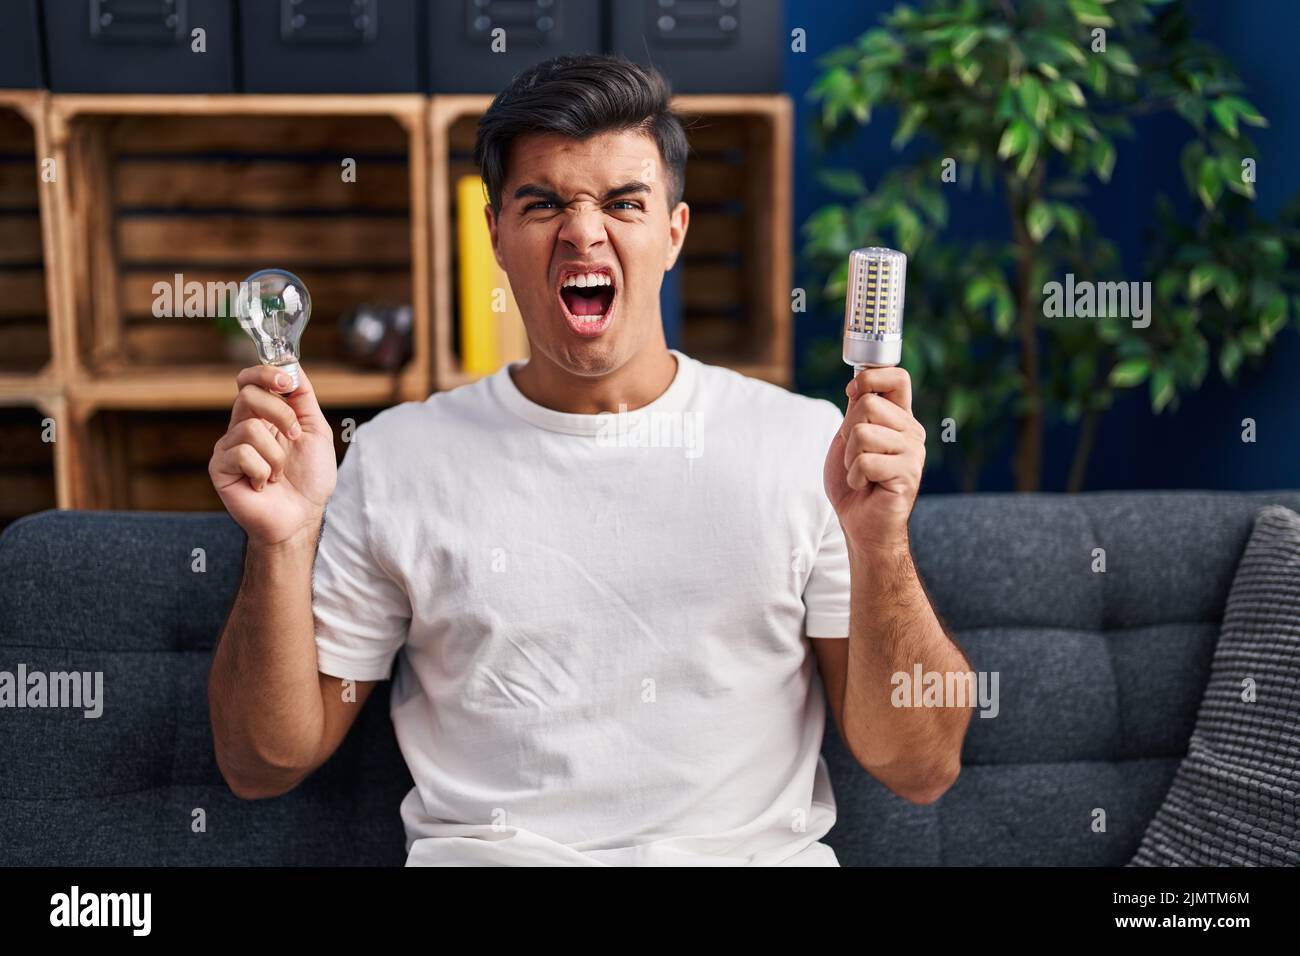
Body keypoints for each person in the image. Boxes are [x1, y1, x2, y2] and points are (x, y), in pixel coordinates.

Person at [207, 54, 970, 866]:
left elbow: (921, 768)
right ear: (496, 234)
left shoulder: (804, 445)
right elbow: (261, 764)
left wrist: (881, 542)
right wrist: (281, 542)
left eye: (623, 202)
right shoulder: (398, 458)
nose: (582, 229)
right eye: (543, 203)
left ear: (673, 232)